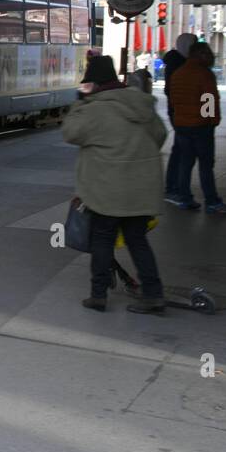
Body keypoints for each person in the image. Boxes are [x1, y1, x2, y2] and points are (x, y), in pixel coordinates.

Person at [62, 55, 167, 314]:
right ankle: (153, 294)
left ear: (93, 84)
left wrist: (79, 104)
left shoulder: (94, 109)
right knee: (137, 241)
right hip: (141, 189)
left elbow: (70, 133)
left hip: (106, 191)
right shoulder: (141, 105)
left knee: (102, 241)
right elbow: (161, 136)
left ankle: (98, 296)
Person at [169, 42, 226, 215]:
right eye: (207, 53)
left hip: (182, 125)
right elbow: (209, 100)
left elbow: (173, 100)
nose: (210, 56)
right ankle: (212, 201)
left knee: (185, 163)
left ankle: (185, 198)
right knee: (206, 165)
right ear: (201, 55)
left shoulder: (178, 73)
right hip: (200, 126)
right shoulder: (203, 74)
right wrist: (213, 120)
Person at [161, 32, 195, 205]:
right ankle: (176, 190)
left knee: (183, 150)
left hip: (184, 114)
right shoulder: (183, 67)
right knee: (184, 151)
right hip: (183, 115)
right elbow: (205, 95)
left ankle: (179, 190)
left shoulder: (188, 66)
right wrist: (209, 117)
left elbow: (207, 95)